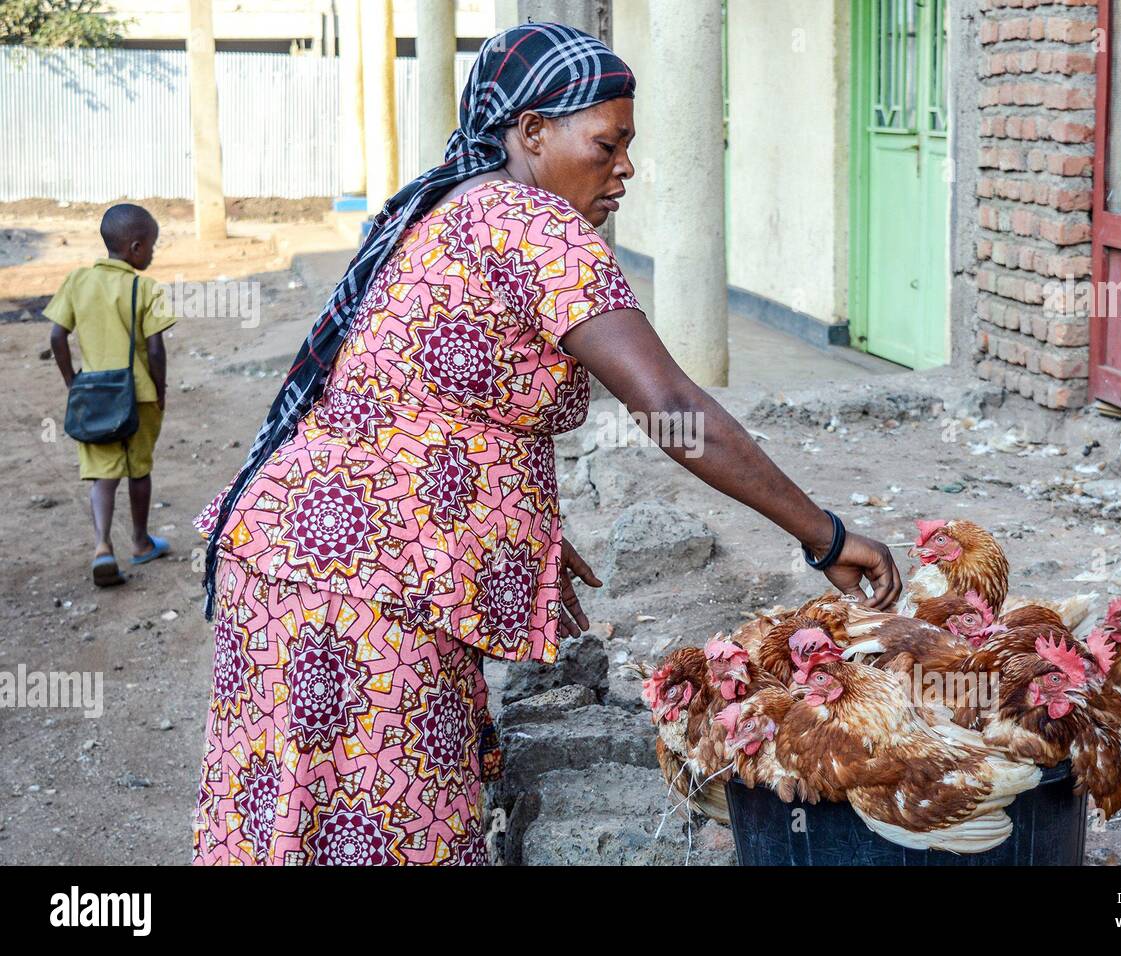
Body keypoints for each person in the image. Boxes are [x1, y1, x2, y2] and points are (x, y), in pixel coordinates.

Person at [191, 22, 901, 866]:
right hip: (362, 598)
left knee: (286, 829)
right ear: (532, 131)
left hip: (290, 563)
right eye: (608, 143)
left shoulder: (451, 209)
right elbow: (670, 406)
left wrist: (520, 534)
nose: (625, 168)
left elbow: (419, 398)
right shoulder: (540, 228)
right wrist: (823, 535)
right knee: (384, 833)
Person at [47, 203, 174, 587]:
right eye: (152, 245)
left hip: (94, 397)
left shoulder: (77, 281)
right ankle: (139, 542)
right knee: (139, 470)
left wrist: (73, 383)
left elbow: (57, 337)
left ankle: (102, 545)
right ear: (136, 247)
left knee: (103, 476)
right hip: (139, 396)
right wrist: (160, 389)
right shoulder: (146, 287)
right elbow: (155, 349)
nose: (152, 253)